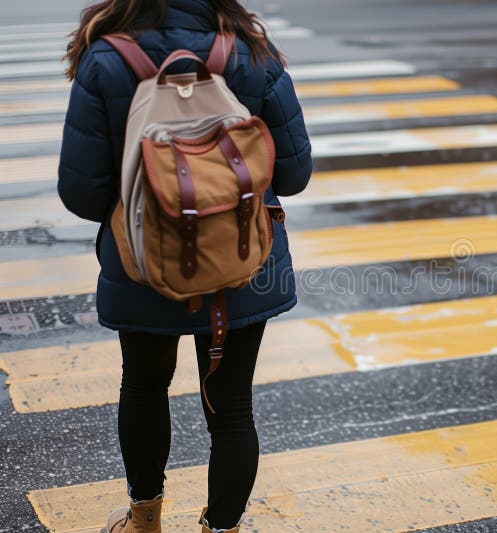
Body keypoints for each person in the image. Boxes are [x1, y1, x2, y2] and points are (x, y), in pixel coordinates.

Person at [59, 0, 312, 531]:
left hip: (144, 266)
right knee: (233, 407)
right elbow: (293, 174)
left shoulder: (107, 59)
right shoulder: (251, 52)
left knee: (145, 385)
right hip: (242, 260)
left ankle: (143, 520)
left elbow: (83, 194)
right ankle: (221, 528)